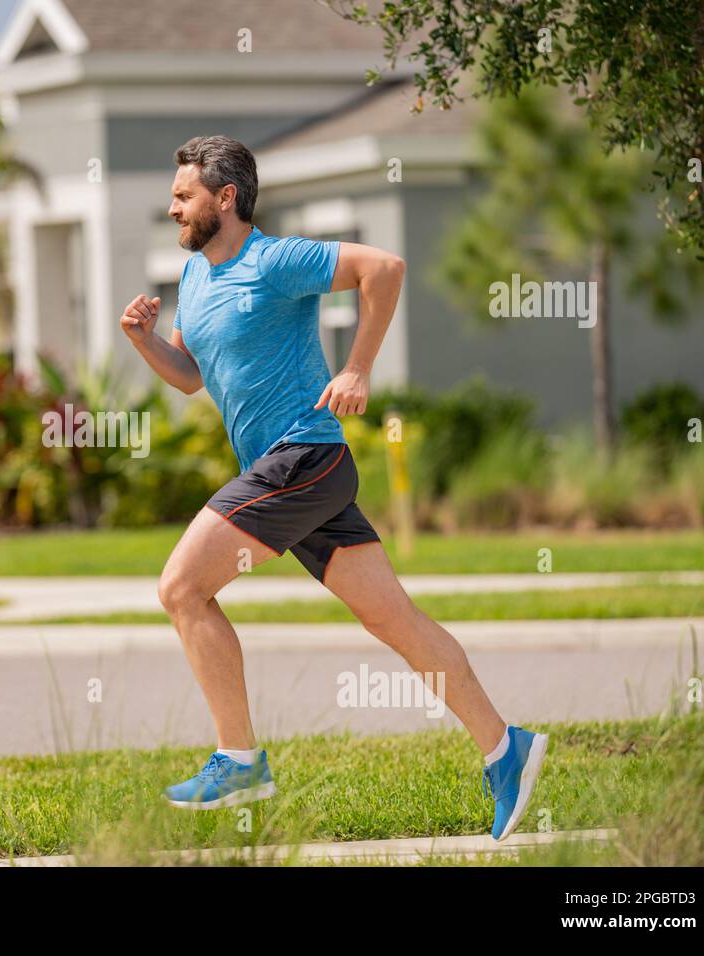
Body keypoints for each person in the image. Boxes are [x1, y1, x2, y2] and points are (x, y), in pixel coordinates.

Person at [119, 134, 548, 841]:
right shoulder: (193, 277)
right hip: (291, 472)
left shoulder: (276, 260)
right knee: (396, 623)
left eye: (183, 195)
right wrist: (145, 341)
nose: (172, 208)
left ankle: (240, 759)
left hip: (302, 457)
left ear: (225, 198)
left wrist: (357, 369)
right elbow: (193, 375)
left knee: (180, 588)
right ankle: (507, 751)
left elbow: (385, 267)